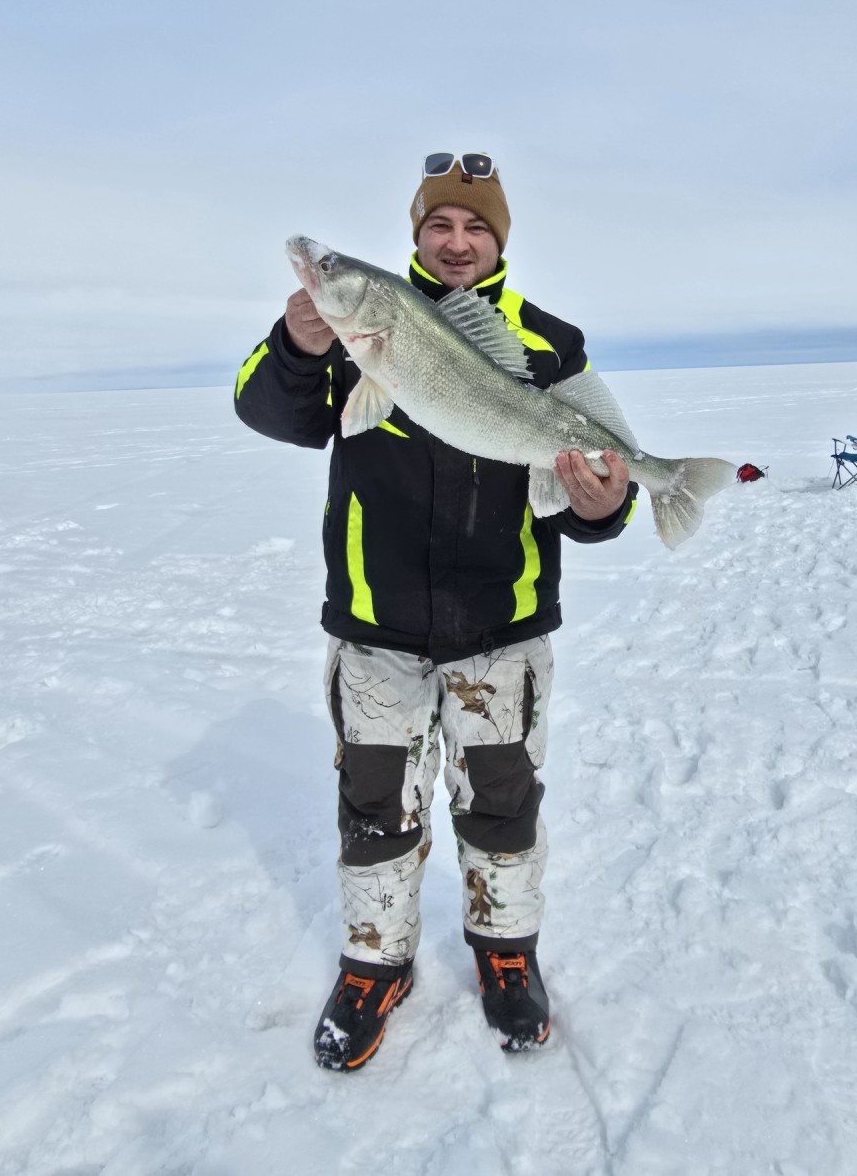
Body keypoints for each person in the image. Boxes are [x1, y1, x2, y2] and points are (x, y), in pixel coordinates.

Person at [234, 152, 637, 1070]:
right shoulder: (349, 331)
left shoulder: (549, 344)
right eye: (439, 226)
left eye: (475, 227)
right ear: (416, 236)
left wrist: (605, 502)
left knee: (502, 808)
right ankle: (376, 961)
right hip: (376, 632)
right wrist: (301, 342)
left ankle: (505, 953)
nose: (457, 242)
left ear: (499, 239)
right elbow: (266, 409)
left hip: (505, 634)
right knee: (376, 809)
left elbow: (597, 501)